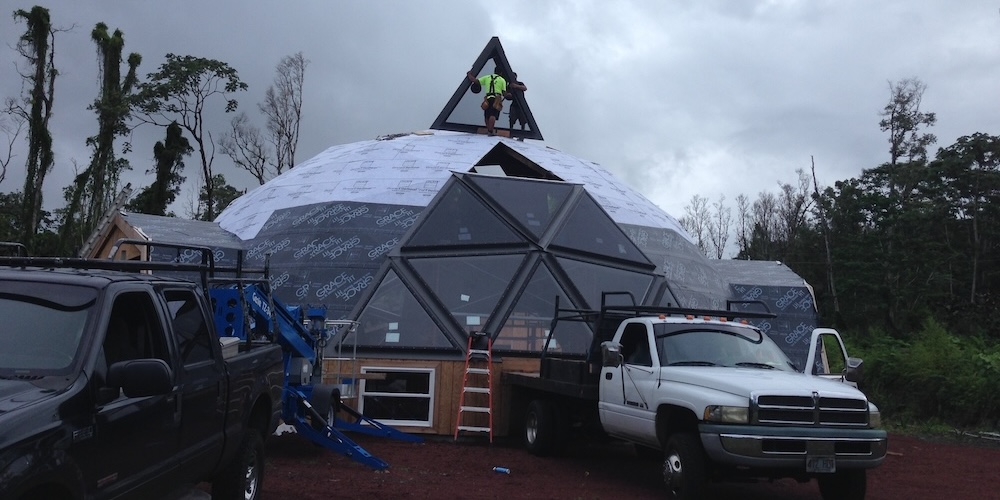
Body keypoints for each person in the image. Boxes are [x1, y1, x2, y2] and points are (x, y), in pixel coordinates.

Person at [467, 67, 507, 136]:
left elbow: (475, 81)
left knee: (487, 115)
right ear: (501, 73)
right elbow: (504, 92)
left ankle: (489, 130)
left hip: (488, 98)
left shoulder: (487, 77)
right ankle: (491, 131)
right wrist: (509, 94)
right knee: (493, 114)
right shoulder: (502, 80)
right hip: (497, 98)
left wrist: (469, 74)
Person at [506, 72, 528, 141]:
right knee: (511, 120)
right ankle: (511, 134)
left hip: (521, 105)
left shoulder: (519, 83)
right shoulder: (509, 86)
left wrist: (516, 86)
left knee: (523, 121)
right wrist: (508, 95)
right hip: (514, 104)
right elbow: (507, 95)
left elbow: (524, 88)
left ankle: (522, 136)